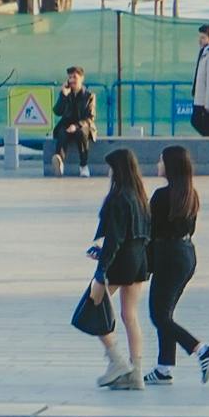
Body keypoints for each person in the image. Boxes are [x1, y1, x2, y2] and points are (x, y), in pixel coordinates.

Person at [147, 141, 209, 386]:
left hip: (167, 256)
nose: (158, 164)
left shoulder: (160, 196)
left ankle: (200, 349)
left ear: (170, 166)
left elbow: (150, 232)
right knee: (165, 314)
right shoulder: (190, 195)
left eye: (161, 161)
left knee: (159, 316)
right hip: (186, 254)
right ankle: (163, 368)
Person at [89, 146, 152, 391]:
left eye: (111, 168)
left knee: (92, 307)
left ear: (118, 170)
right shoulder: (141, 197)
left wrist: (101, 269)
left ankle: (115, 359)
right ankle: (136, 374)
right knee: (129, 316)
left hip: (119, 263)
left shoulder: (117, 198)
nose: (108, 172)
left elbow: (113, 238)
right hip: (139, 263)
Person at [51, 66, 96, 176]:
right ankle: (59, 162)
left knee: (81, 132)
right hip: (67, 125)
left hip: (83, 126)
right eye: (70, 78)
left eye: (74, 77)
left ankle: (84, 166)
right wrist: (63, 96)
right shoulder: (67, 94)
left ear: (82, 78)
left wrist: (76, 126)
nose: (71, 80)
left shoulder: (89, 96)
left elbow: (90, 118)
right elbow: (57, 111)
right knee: (62, 132)